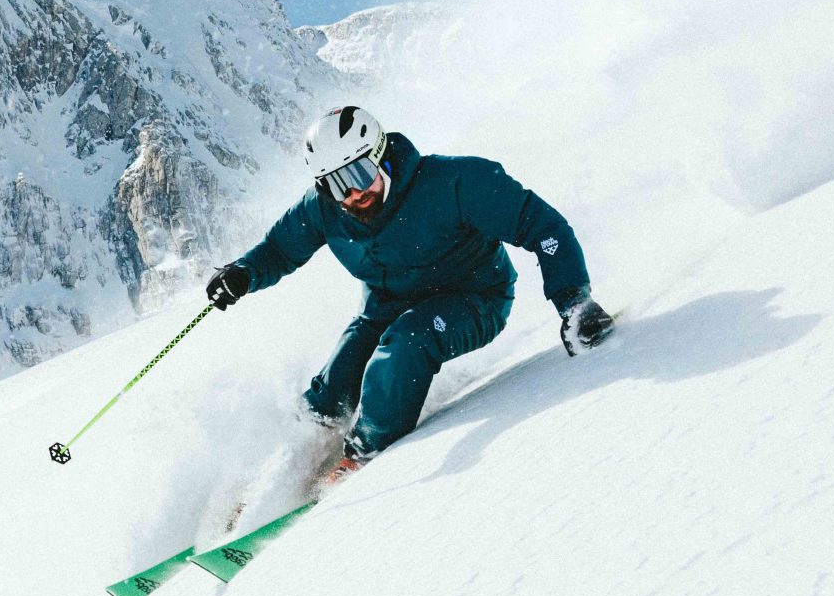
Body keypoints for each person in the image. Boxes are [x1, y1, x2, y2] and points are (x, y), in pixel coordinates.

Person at [205, 106, 613, 485]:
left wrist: (574, 303)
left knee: (407, 342)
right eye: (337, 184)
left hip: (474, 298)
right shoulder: (324, 208)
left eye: (360, 173)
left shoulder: (455, 183)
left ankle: (364, 453)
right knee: (337, 381)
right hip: (385, 305)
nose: (353, 193)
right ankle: (291, 466)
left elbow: (542, 227)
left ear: (381, 155)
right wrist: (242, 274)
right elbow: (278, 250)